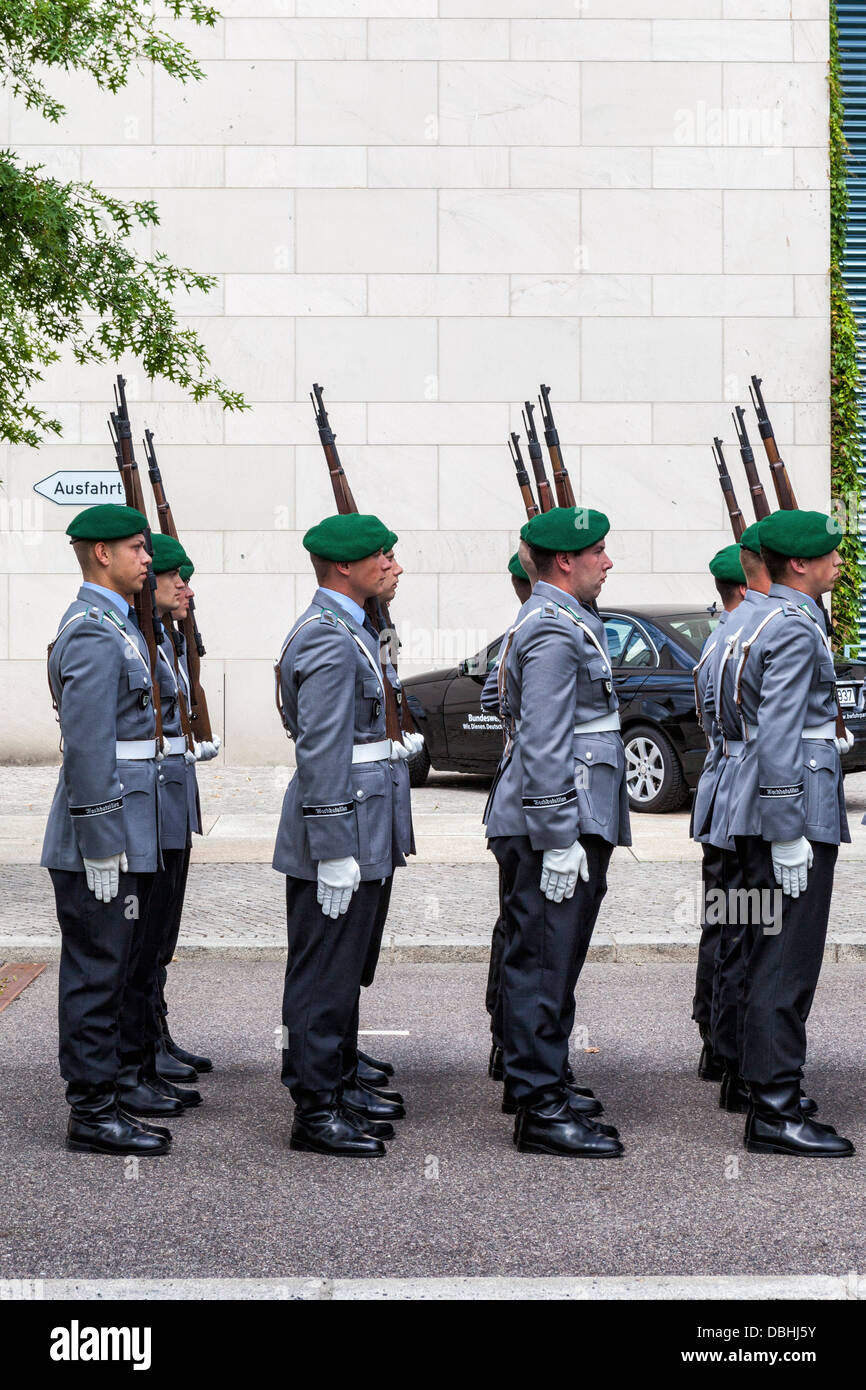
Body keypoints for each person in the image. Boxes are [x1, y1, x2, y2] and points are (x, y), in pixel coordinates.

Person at [484, 506, 629, 1157]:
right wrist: (558, 835)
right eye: (598, 551)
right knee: (543, 962)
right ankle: (541, 1107)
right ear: (566, 561)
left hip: (563, 814)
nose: (608, 561)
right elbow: (542, 740)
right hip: (555, 820)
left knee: (550, 958)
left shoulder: (555, 620)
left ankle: (540, 1084)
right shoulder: (552, 630)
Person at [716, 510, 854, 1156]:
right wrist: (788, 827)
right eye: (829, 555)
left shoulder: (755, 619)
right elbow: (779, 734)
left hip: (755, 809)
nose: (838, 564)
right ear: (799, 564)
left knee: (760, 950)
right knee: (785, 961)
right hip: (790, 813)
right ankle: (774, 1109)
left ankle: (763, 1085)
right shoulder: (794, 629)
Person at [273, 514, 410, 1157]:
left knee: (344, 966)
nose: (394, 567)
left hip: (363, 824)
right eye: (383, 557)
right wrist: (332, 850)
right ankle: (315, 1109)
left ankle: (337, 1081)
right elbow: (322, 753)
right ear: (345, 569)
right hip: (342, 830)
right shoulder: (328, 640)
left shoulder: (352, 630)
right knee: (323, 972)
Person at [41, 504, 169, 1156]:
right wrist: (98, 844)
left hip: (119, 835)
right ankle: (91, 1113)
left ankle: (109, 1094)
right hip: (100, 841)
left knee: (113, 969)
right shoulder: (94, 632)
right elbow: (89, 749)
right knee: (96, 973)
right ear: (101, 555)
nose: (148, 560)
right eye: (137, 549)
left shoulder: (112, 625)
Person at [152, 555, 218, 1081]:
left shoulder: (169, 640)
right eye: (176, 578)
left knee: (162, 932)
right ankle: (140, 1045)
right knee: (144, 932)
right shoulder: (132, 638)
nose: (185, 589)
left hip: (171, 799)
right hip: (147, 804)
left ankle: (155, 1031)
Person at [690, 544, 747, 1082]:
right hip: (737, 795)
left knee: (724, 919)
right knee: (743, 922)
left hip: (717, 792)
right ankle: (729, 1046)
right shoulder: (742, 640)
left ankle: (714, 1034)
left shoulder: (714, 643)